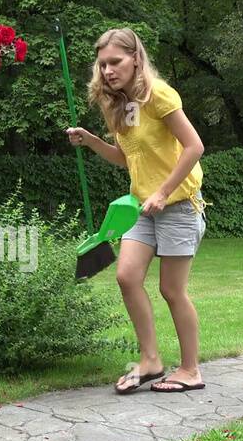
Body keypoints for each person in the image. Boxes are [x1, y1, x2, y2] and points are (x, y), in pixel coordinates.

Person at [65, 27, 209, 394]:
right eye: (103, 64)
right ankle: (151, 361)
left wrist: (163, 192)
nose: (109, 70)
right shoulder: (119, 104)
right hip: (143, 207)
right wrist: (92, 140)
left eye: (116, 62)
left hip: (178, 206)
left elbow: (194, 147)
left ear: (135, 60)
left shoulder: (159, 95)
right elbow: (126, 158)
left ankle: (191, 369)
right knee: (127, 276)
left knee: (172, 290)